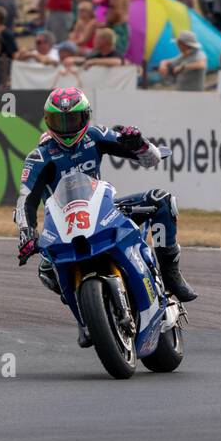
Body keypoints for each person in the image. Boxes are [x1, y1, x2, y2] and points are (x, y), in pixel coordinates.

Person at [15, 88, 197, 348]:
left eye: (72, 119)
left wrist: (139, 143)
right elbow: (25, 200)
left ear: (86, 117)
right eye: (59, 121)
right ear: (48, 121)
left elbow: (151, 159)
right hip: (63, 225)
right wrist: (25, 232)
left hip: (101, 210)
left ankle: (171, 274)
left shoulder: (95, 136)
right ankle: (86, 316)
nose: (66, 128)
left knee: (162, 200)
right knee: (46, 269)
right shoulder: (39, 157)